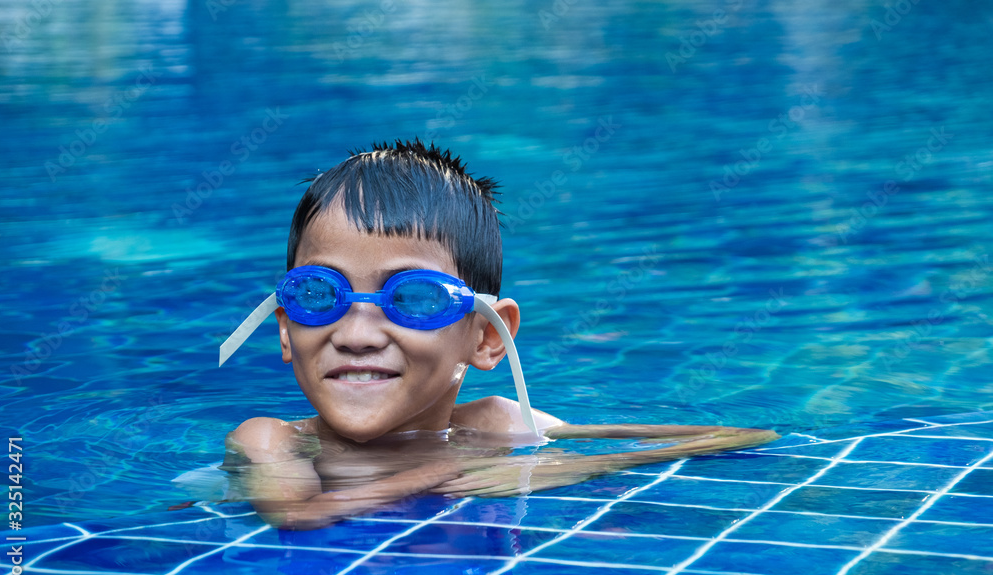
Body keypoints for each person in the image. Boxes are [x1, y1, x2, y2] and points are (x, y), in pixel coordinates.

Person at [218, 139, 778, 530]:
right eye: (321, 295)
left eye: (414, 298)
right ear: (286, 328)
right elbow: (301, 517)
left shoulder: (502, 425)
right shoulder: (272, 441)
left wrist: (554, 465)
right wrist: (441, 473)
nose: (358, 334)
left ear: (486, 336)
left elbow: (731, 438)